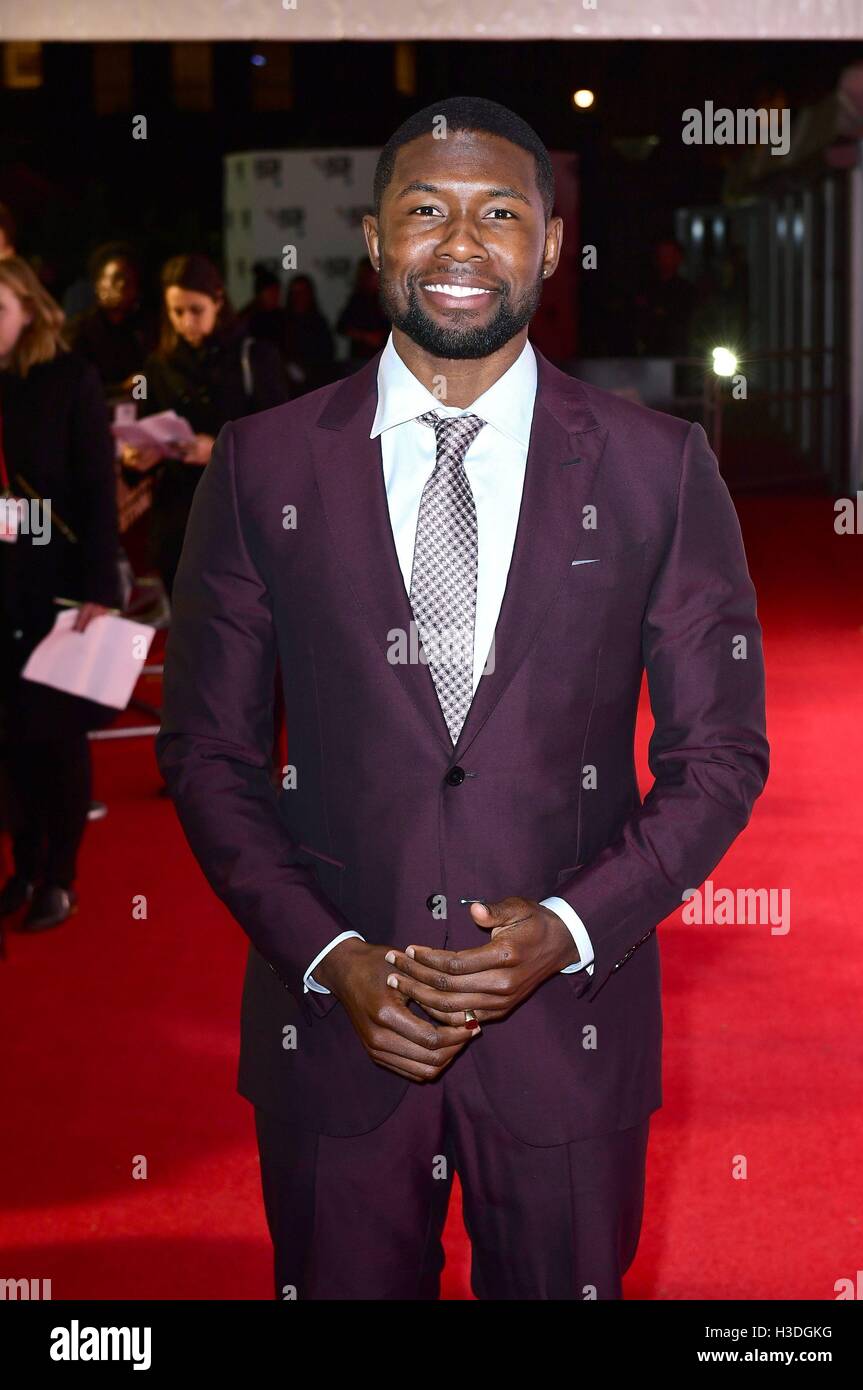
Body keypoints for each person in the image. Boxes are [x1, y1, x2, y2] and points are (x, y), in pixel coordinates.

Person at [156, 96, 769, 1301]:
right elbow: (207, 752)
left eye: (500, 213)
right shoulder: (262, 463)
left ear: (548, 242)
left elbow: (722, 756)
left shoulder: (658, 467)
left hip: (570, 1043)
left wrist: (571, 928)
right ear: (376, 240)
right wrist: (330, 956)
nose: (460, 244)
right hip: (335, 1034)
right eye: (425, 211)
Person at [0, 257, 122, 936]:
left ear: (30, 310)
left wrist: (100, 589)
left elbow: (94, 495)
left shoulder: (68, 379)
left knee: (57, 739)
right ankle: (21, 867)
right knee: (10, 744)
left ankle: (59, 876)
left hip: (58, 587)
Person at [120, 253, 289, 603]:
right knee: (189, 638)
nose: (186, 322)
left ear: (217, 300)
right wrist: (137, 460)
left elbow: (281, 446)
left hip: (238, 521)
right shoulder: (158, 365)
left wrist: (214, 449)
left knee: (238, 634)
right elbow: (143, 437)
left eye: (195, 310)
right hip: (177, 526)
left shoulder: (254, 357)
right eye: (176, 312)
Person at [66, 242, 155, 403]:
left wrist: (138, 393)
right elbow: (71, 384)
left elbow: (144, 384)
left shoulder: (142, 329)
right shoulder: (79, 329)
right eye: (115, 279)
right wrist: (120, 388)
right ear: (98, 284)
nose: (121, 286)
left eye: (128, 281)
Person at [281, 274, 336, 397]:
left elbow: (327, 355)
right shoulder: (281, 322)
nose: (298, 297)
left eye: (302, 292)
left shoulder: (319, 323)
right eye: (295, 292)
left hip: (315, 387)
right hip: (287, 389)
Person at [335, 254, 388, 364]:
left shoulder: (390, 300)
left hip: (385, 358)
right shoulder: (358, 299)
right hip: (360, 359)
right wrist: (365, 336)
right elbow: (341, 326)